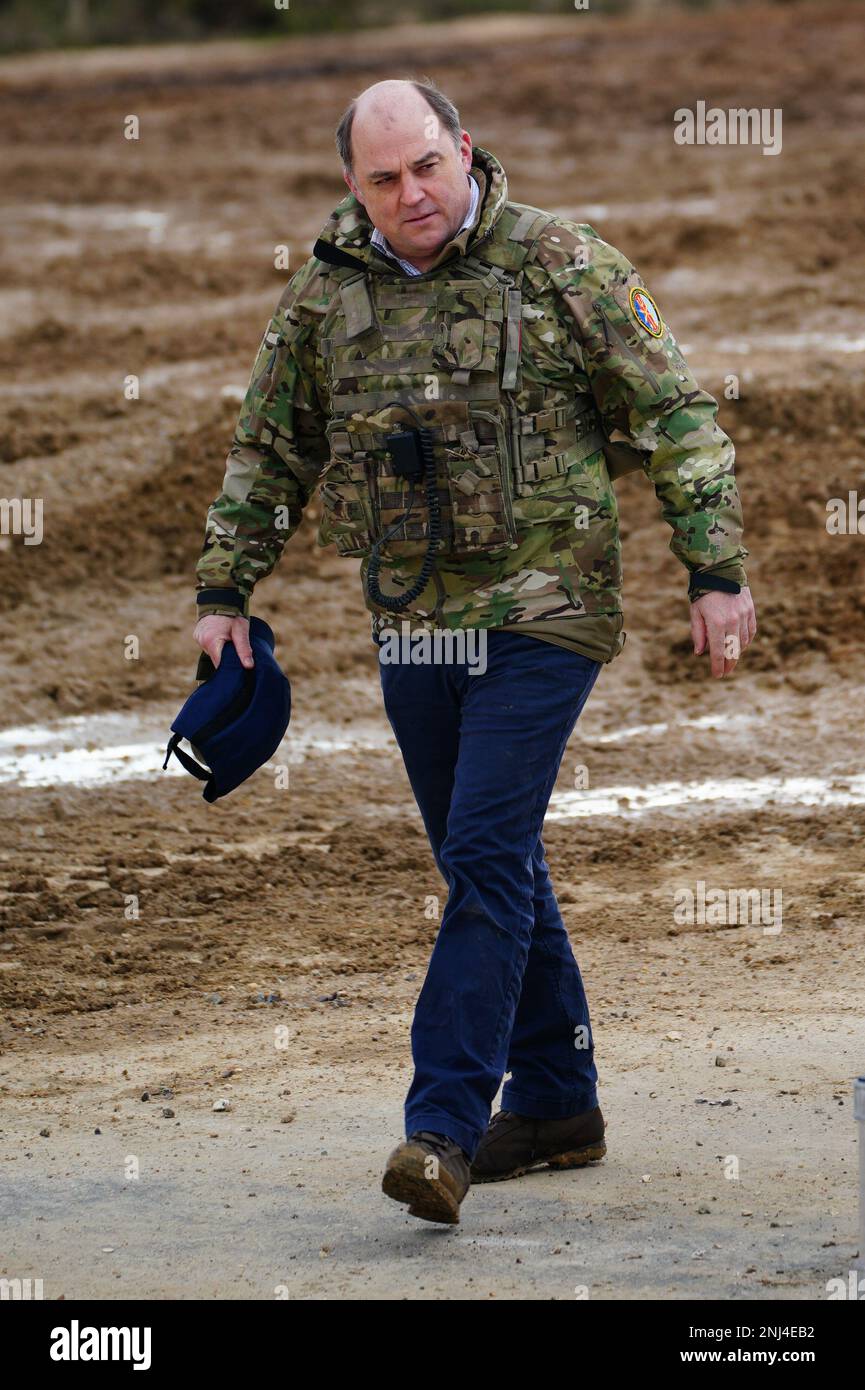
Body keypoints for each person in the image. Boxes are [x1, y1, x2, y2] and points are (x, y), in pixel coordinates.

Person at [193, 78, 756, 1226]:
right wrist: (224, 590)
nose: (413, 195)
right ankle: (557, 1103)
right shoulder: (322, 298)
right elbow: (270, 450)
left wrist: (715, 572)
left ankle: (441, 1126)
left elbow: (676, 414)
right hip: (415, 616)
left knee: (488, 847)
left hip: (549, 606)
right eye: (384, 179)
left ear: (464, 148)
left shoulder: (562, 265)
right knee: (481, 857)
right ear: (351, 184)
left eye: (428, 168)